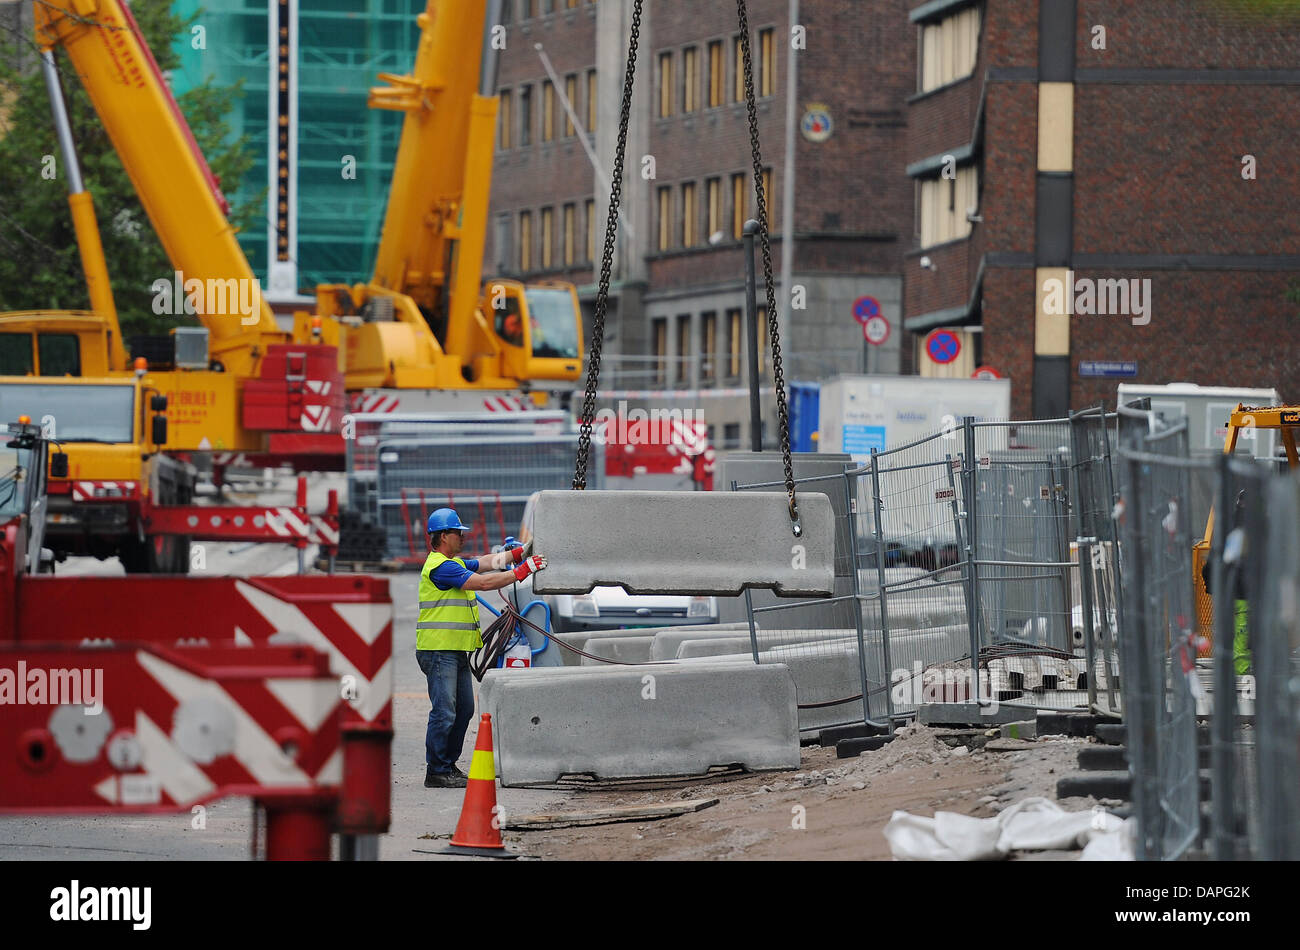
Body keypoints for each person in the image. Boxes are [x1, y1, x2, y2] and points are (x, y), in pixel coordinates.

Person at [419, 507, 546, 788]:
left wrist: (519, 554)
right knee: (445, 711)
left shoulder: (455, 563)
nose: (463, 538)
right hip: (439, 651)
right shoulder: (442, 567)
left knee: (463, 710)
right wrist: (524, 570)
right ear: (443, 536)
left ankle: (447, 766)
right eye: (458, 533)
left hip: (455, 649)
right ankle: (437, 770)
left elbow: (487, 562)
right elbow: (485, 582)